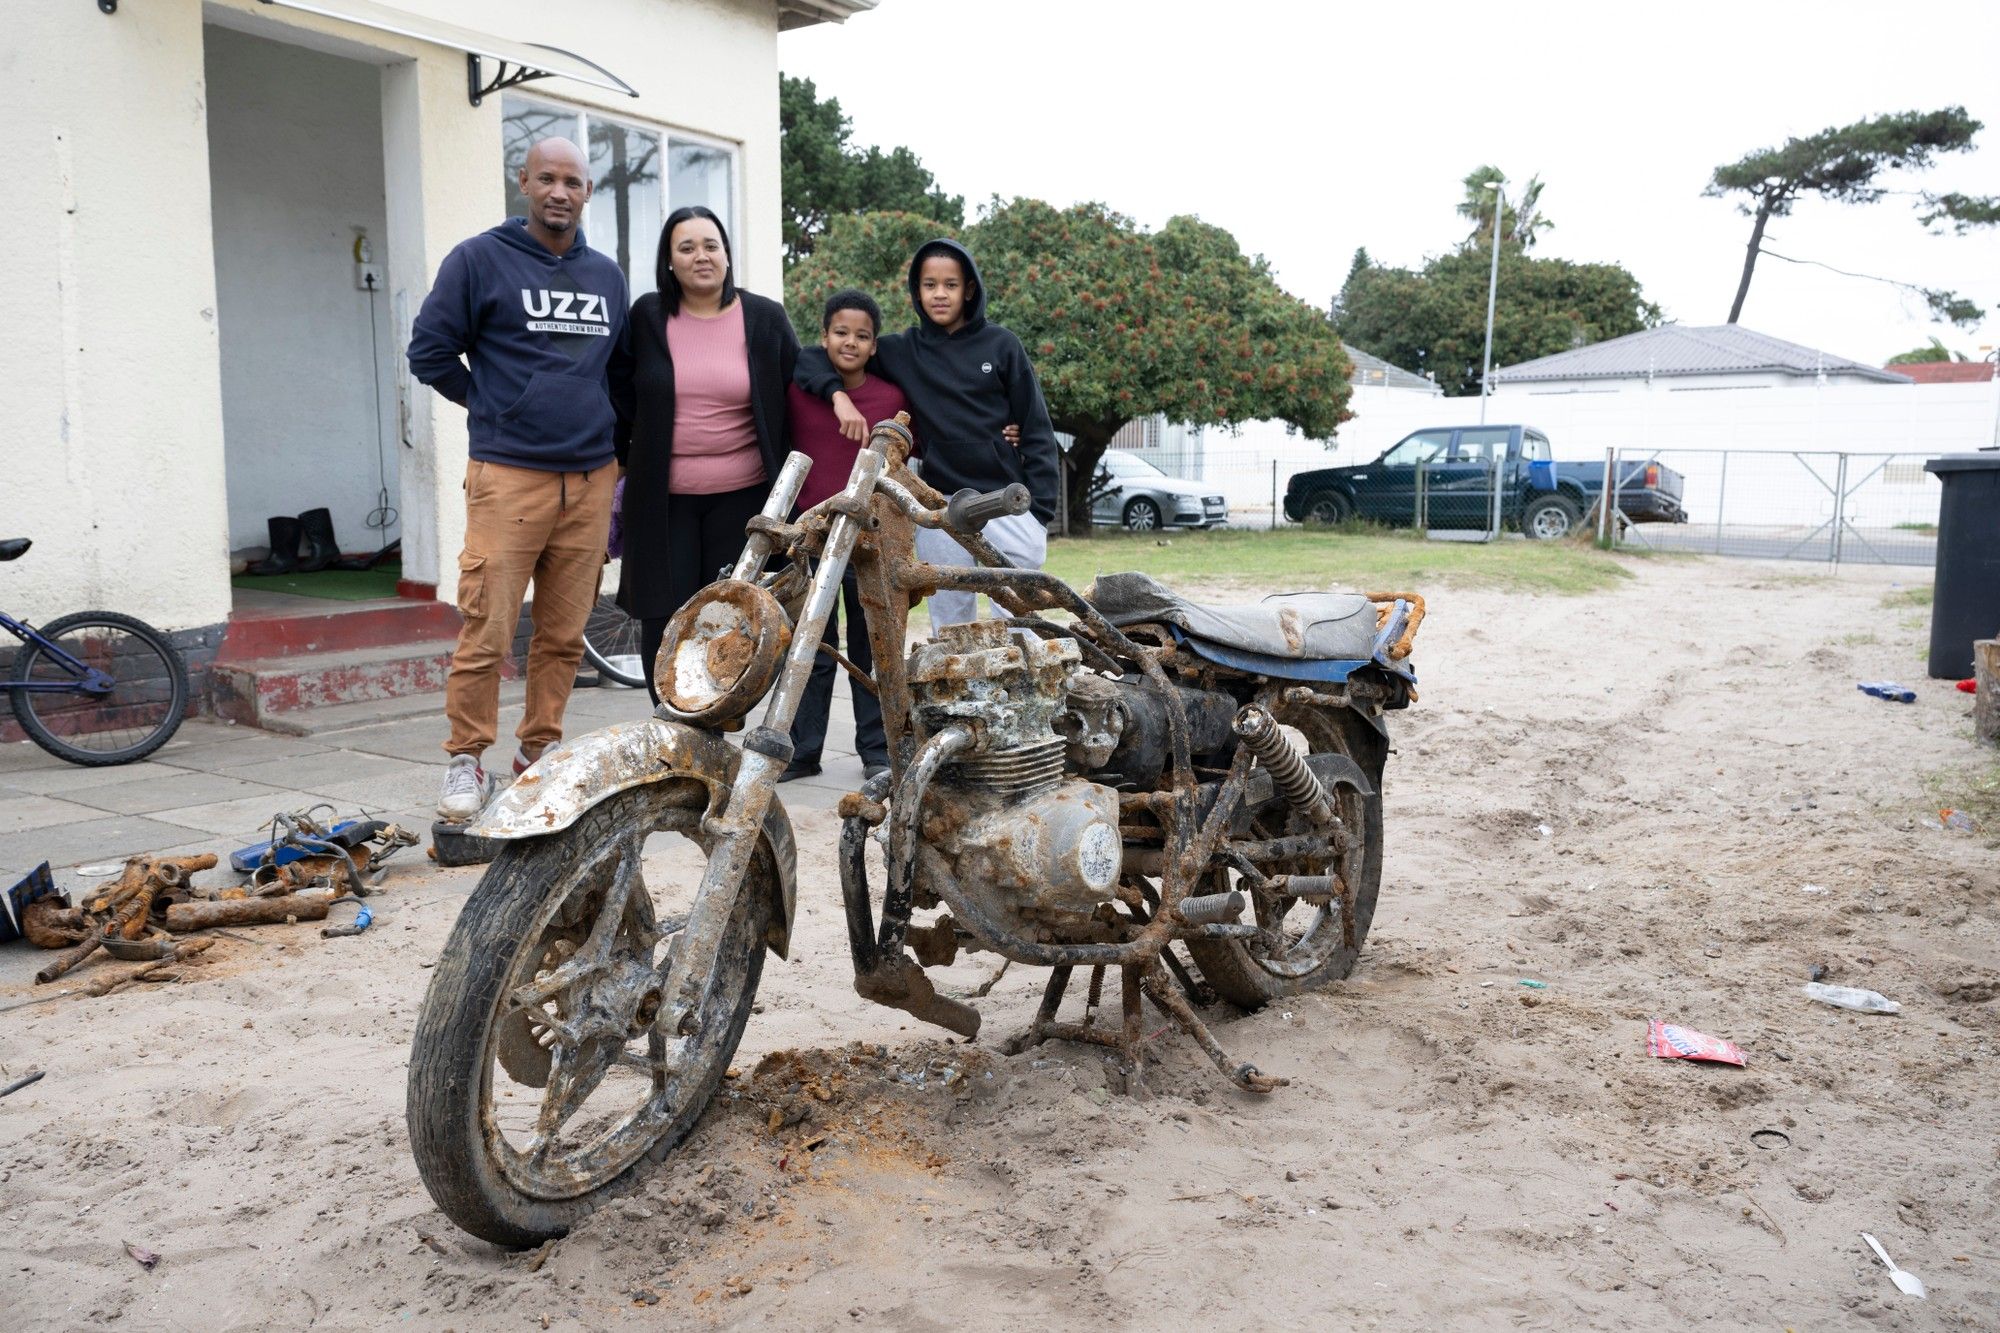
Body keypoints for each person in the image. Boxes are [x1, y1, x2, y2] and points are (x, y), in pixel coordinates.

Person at [407, 137, 629, 821]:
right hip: (509, 476)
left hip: (589, 480)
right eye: (547, 179)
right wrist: (494, 406)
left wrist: (616, 452)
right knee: (489, 628)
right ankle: (466, 759)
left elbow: (616, 370)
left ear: (587, 191)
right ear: (524, 182)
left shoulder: (606, 276)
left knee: (563, 634)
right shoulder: (479, 260)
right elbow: (429, 351)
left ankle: (539, 753)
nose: (560, 192)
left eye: (573, 182)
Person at [794, 239, 1059, 627]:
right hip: (940, 505)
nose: (939, 294)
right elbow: (816, 356)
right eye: (929, 284)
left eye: (950, 285)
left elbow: (1036, 427)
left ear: (969, 289)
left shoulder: (1002, 345)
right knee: (950, 624)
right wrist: (838, 396)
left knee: (1022, 623)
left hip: (1006, 500)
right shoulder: (903, 350)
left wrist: (1040, 511)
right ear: (917, 291)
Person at [618, 206, 799, 698]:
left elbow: (799, 386)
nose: (701, 256)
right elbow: (618, 394)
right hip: (663, 502)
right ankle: (670, 723)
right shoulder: (647, 317)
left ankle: (715, 724)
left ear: (726, 254)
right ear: (669, 260)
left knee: (729, 618)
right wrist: (617, 464)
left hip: (743, 500)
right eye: (687, 247)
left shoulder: (764, 318)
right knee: (666, 617)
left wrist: (843, 393)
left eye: (710, 245)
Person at [781, 290, 904, 783]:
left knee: (870, 645)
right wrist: (837, 396)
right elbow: (801, 363)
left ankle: (876, 750)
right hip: (811, 537)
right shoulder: (800, 390)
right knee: (811, 642)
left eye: (862, 336)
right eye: (840, 332)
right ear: (824, 337)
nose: (850, 342)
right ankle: (803, 750)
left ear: (874, 345)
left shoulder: (892, 398)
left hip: (869, 539)